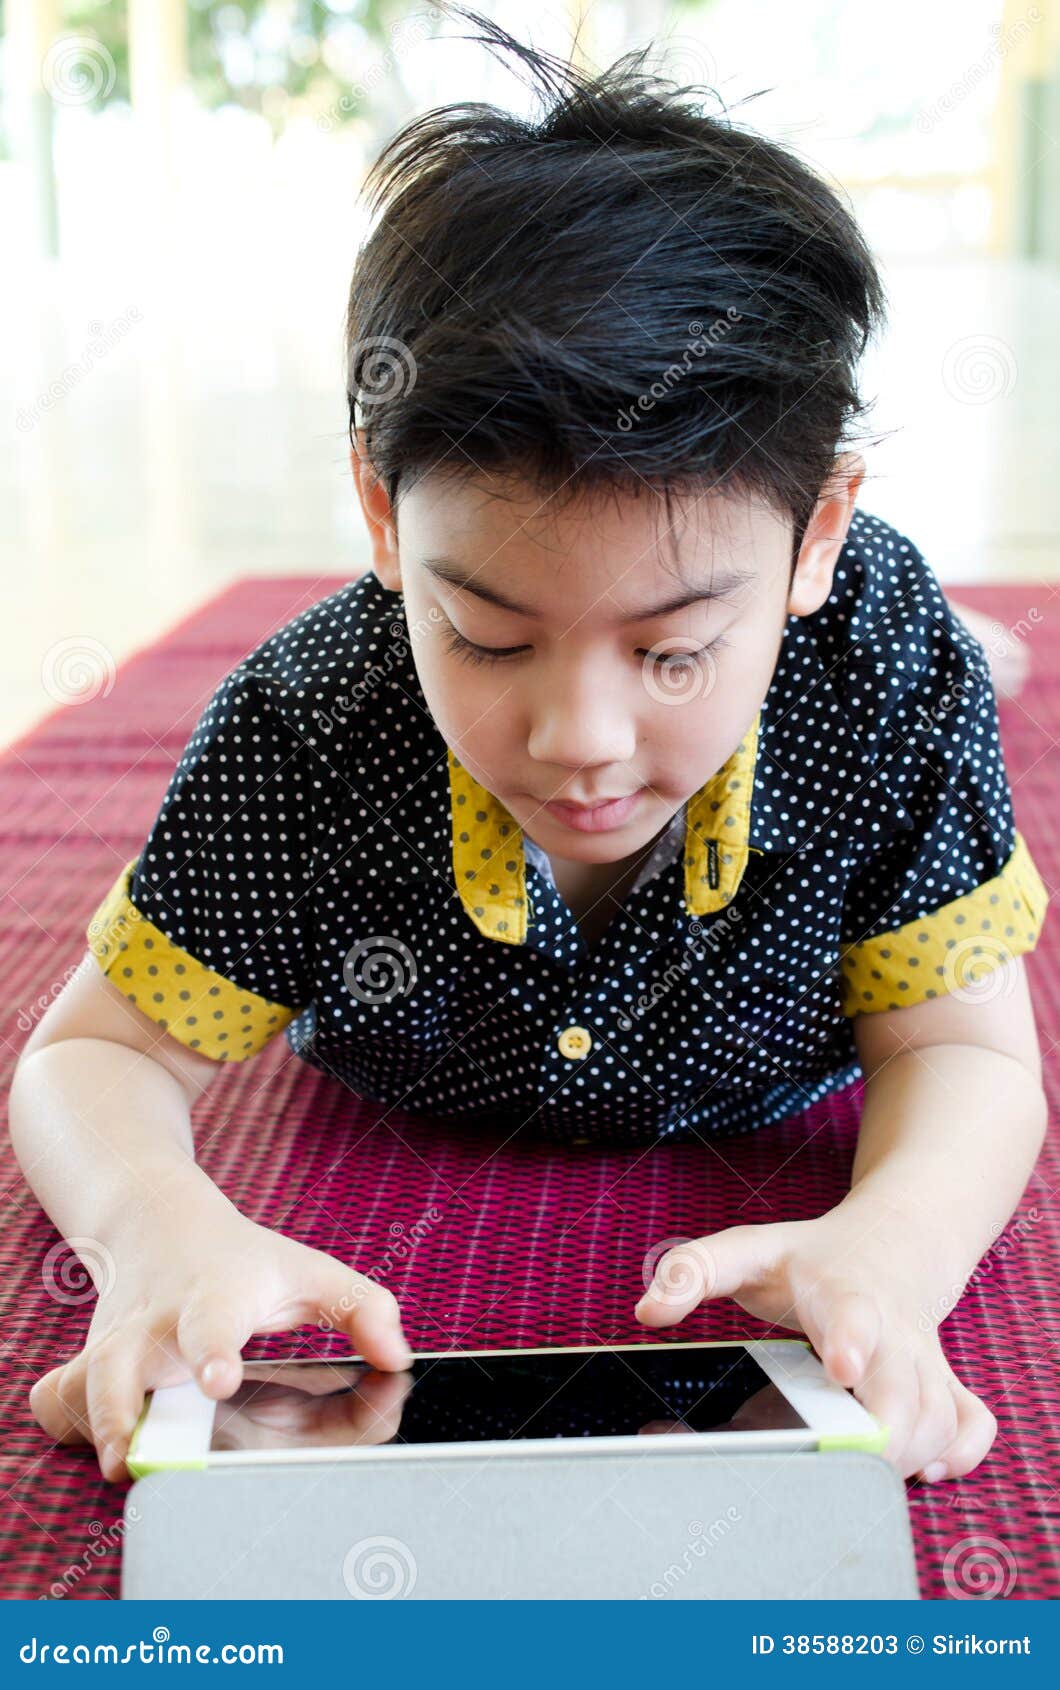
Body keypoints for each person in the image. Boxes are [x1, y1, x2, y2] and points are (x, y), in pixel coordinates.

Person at [9, 5, 1048, 1494]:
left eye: (674, 648)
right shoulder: (309, 721)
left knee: (954, 661)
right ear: (380, 517)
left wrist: (894, 1244)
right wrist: (152, 1224)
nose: (582, 741)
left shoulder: (882, 671)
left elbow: (966, 1048)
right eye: (489, 636)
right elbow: (93, 1050)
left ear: (818, 529)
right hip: (408, 1060)